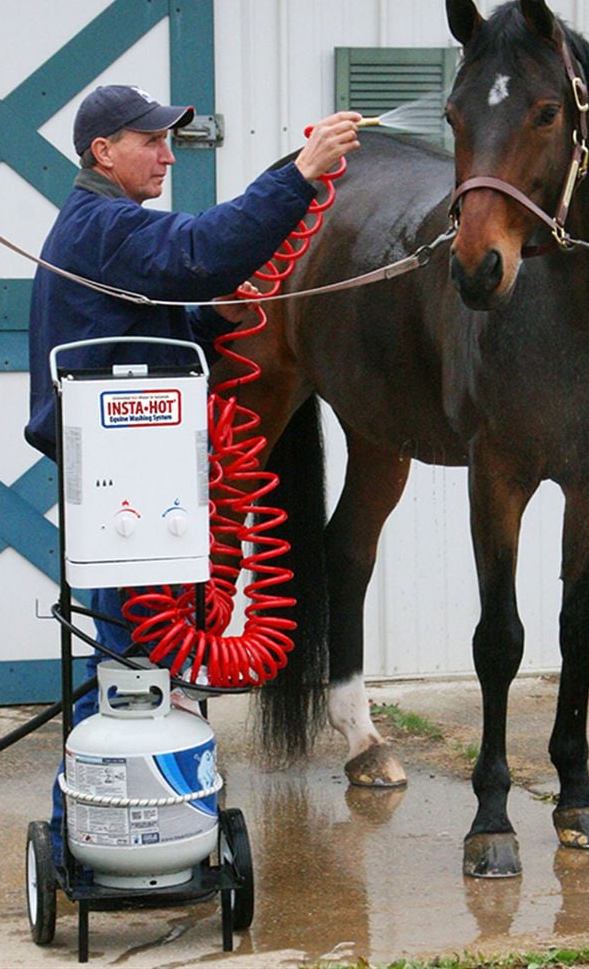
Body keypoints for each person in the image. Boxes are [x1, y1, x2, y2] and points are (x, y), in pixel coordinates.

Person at [24, 83, 361, 863]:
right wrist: (301, 172)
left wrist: (210, 318)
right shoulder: (102, 225)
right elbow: (200, 250)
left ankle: (139, 824)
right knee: (129, 659)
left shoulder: (104, 230)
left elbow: (147, 303)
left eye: (171, 140)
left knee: (136, 657)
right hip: (123, 483)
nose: (169, 155)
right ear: (104, 152)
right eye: (153, 140)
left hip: (136, 479)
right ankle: (100, 827)